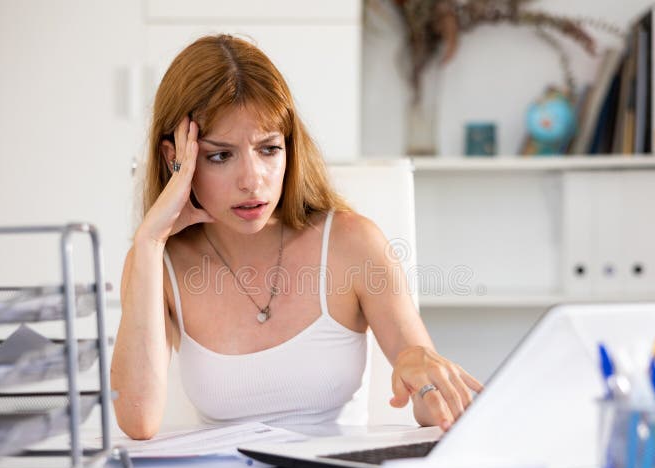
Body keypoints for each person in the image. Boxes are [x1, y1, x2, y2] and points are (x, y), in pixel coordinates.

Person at [111, 34, 483, 440]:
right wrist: (149, 242)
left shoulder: (352, 243)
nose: (252, 181)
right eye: (220, 155)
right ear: (175, 159)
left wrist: (421, 369)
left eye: (269, 149)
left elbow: (433, 410)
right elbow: (137, 421)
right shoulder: (155, 261)